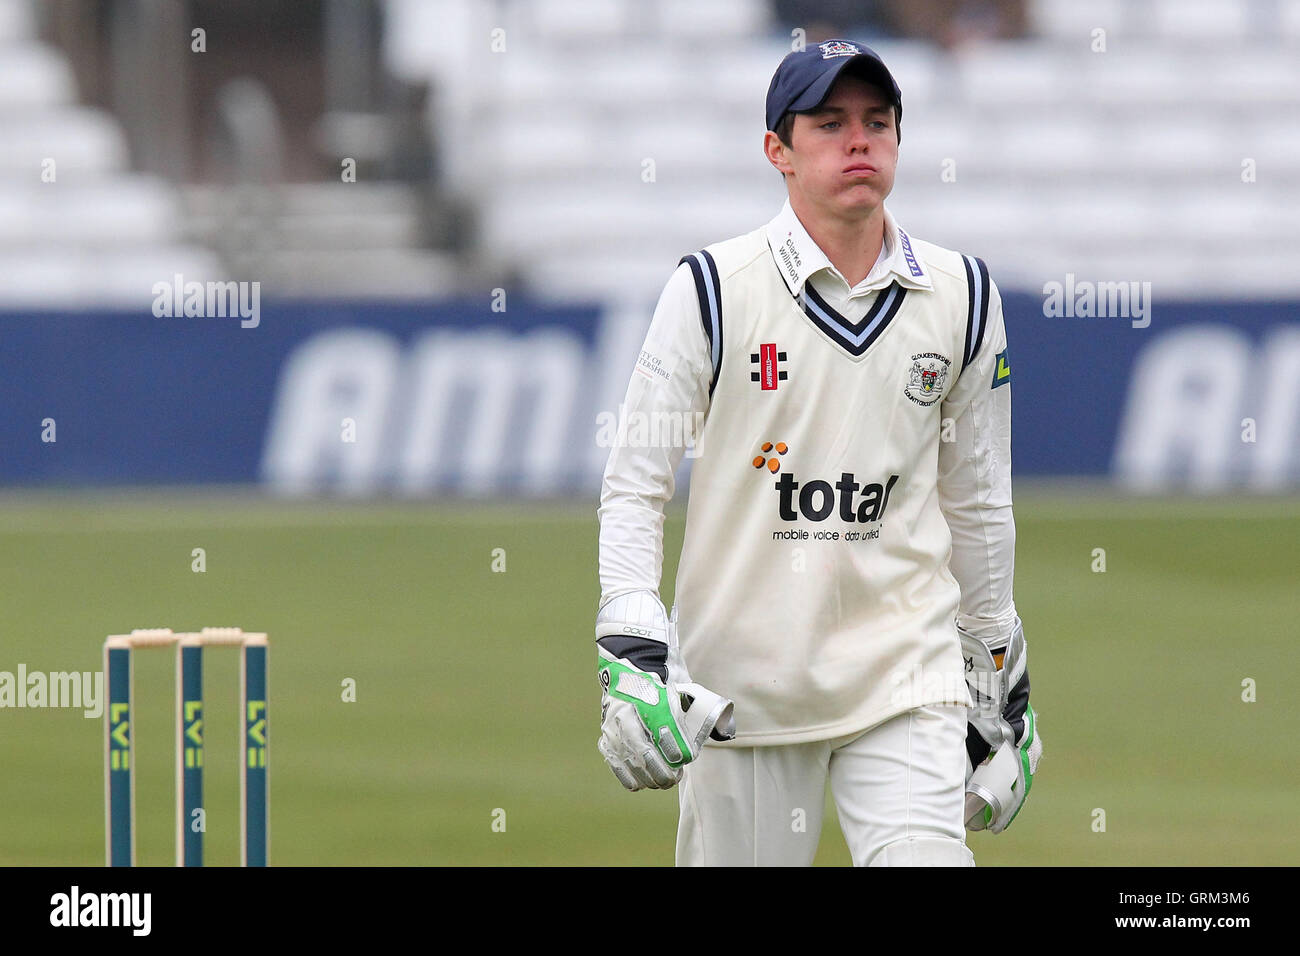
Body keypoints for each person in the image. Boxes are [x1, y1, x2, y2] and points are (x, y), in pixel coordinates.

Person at [595, 39, 1042, 866]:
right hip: (742, 691)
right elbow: (635, 485)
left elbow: (977, 502)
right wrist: (629, 642)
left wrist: (997, 670)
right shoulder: (711, 289)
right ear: (778, 151)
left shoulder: (964, 296)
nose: (859, 140)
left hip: (906, 679)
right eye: (830, 123)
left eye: (879, 122)